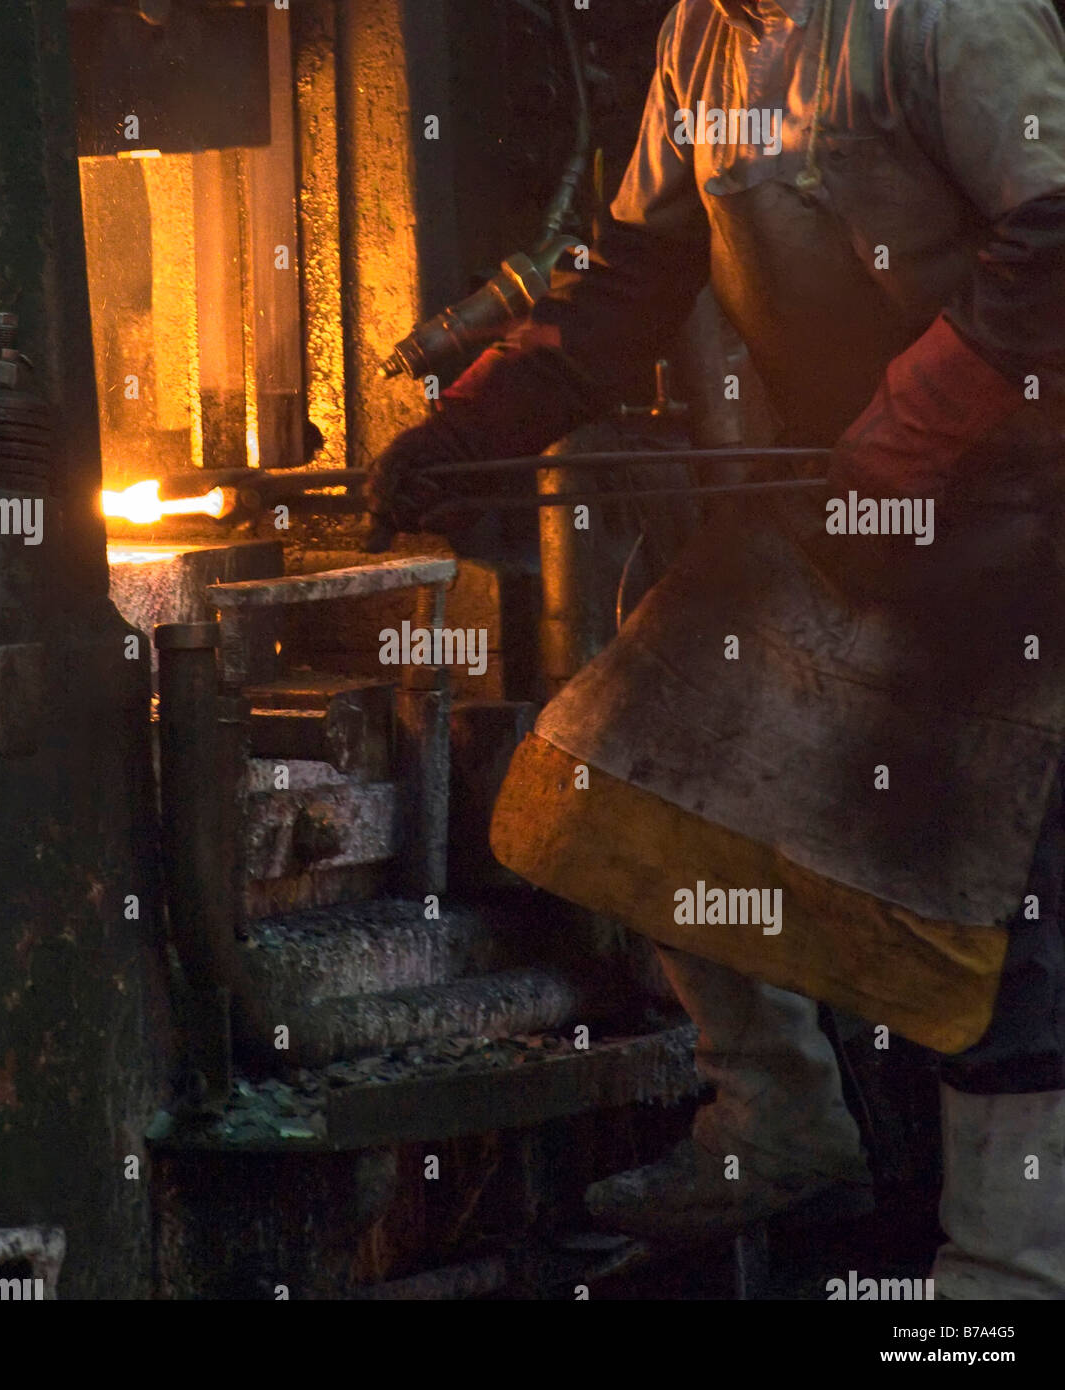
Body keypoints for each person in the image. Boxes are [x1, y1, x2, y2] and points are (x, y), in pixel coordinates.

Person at [365, 0, 1065, 1299]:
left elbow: (1057, 223)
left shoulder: (940, 20)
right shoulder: (705, 34)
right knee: (609, 771)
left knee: (989, 918)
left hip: (1020, 516)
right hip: (840, 506)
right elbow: (637, 271)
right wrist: (473, 427)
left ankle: (1011, 1269)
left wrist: (922, 418)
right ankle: (780, 1108)